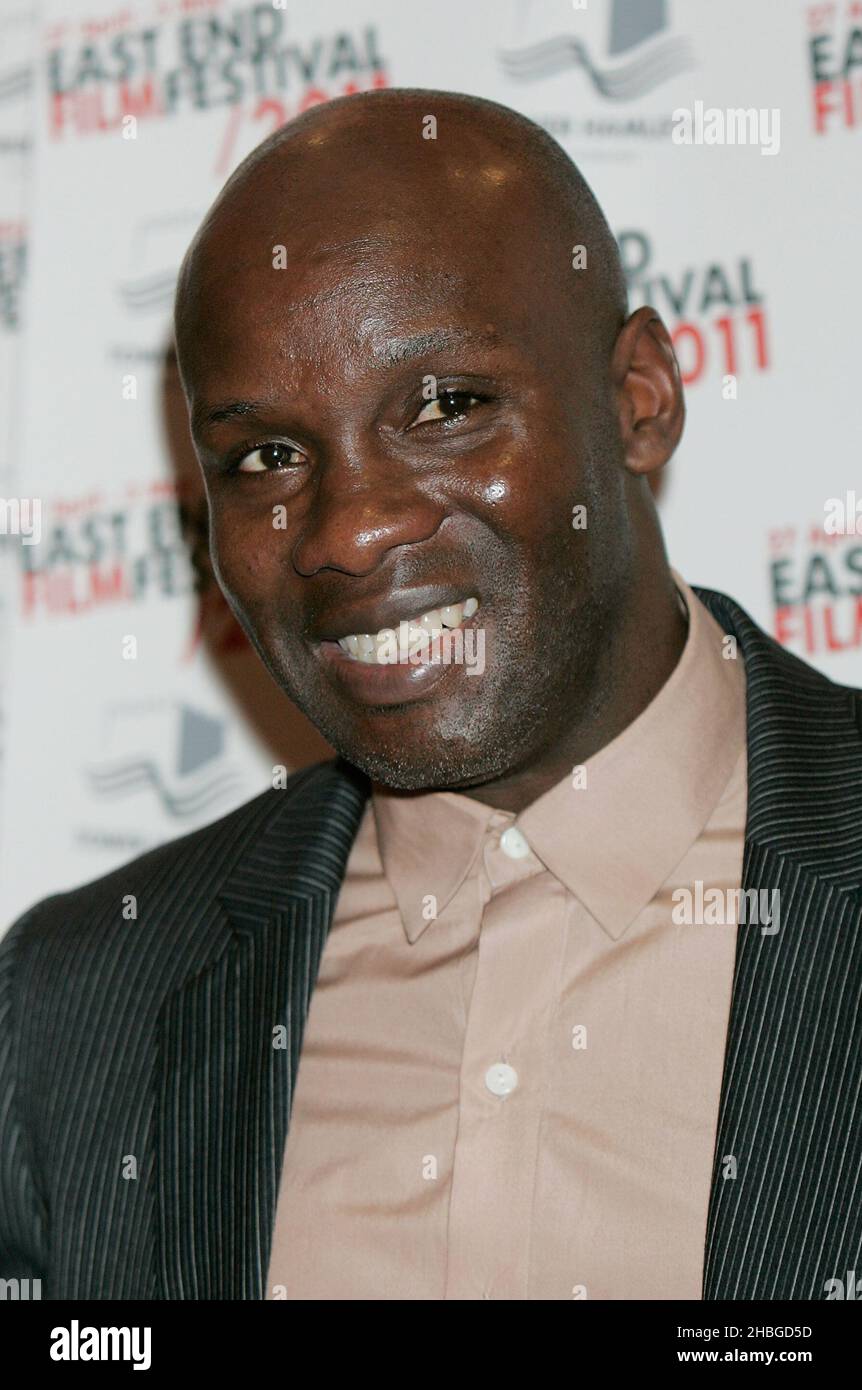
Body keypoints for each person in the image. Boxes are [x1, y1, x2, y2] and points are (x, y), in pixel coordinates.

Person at [1, 89, 859, 1301]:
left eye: (446, 407)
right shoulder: (77, 1012)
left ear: (640, 399)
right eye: (268, 457)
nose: (349, 530)